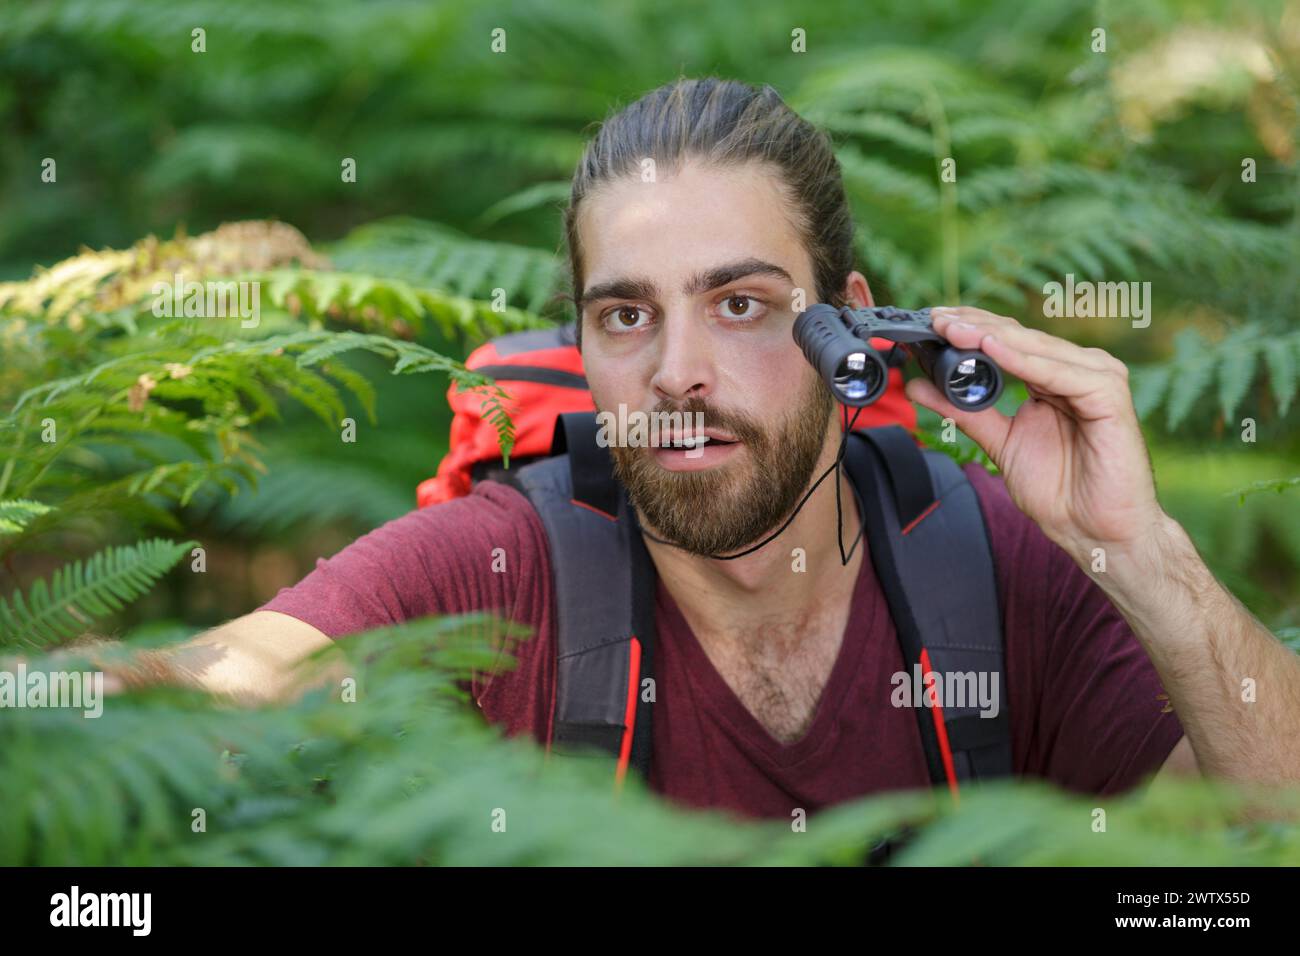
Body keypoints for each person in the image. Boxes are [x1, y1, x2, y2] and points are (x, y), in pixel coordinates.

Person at [121, 77, 1300, 821]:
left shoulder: (985, 573)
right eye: (625, 314)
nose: (676, 369)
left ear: (848, 316)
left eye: (738, 303)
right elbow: (214, 686)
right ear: (581, 345)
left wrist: (1139, 553)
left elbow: (1253, 843)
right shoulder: (498, 574)